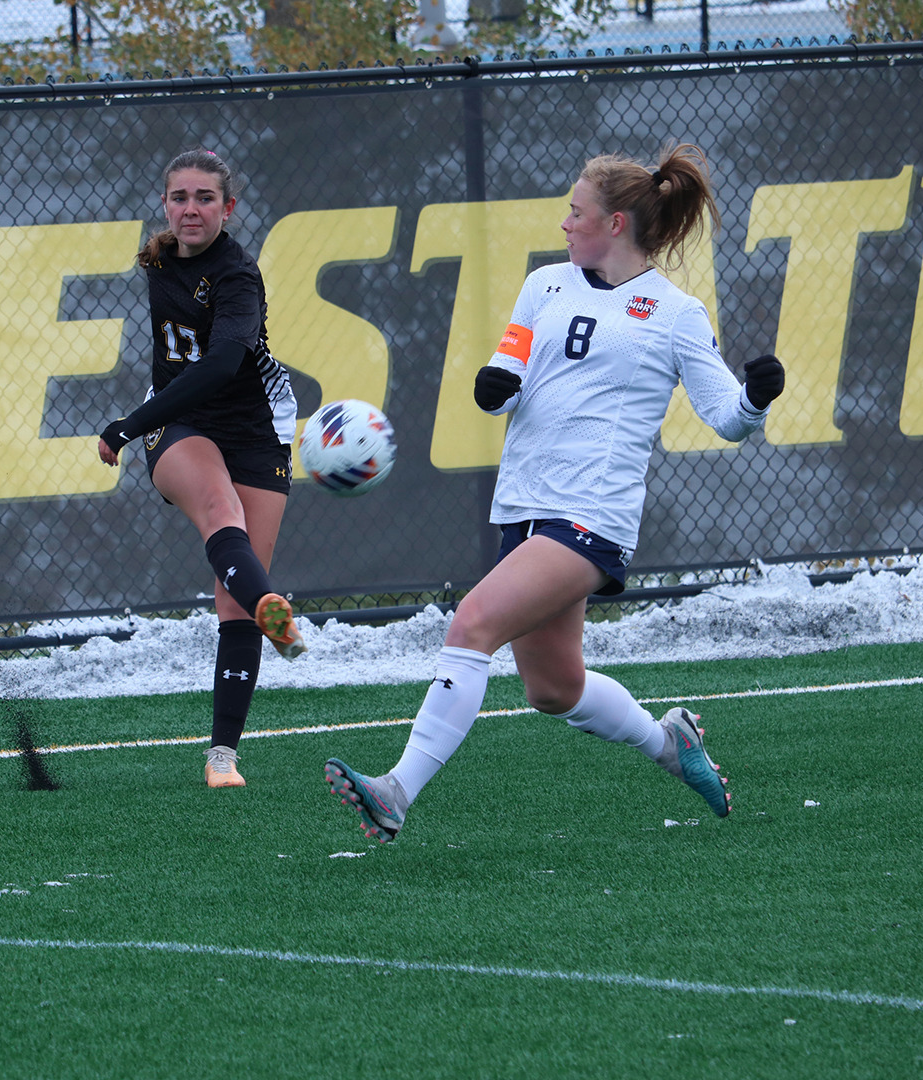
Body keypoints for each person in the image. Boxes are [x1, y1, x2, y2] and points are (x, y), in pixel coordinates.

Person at [324, 143, 785, 842]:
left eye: (577, 212)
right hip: (524, 505)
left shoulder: (674, 312)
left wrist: (754, 397)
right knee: (554, 689)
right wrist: (493, 387)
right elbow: (502, 378)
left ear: (618, 224)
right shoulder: (544, 285)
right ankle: (671, 743)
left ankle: (395, 792)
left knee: (471, 623)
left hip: (592, 514)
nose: (566, 224)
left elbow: (726, 418)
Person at [97, 148, 305, 789]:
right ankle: (273, 604)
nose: (191, 208)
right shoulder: (160, 258)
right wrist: (142, 426)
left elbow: (219, 366)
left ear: (228, 207)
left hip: (254, 430)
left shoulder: (239, 276)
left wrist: (124, 422)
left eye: (205, 198)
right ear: (165, 203)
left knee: (236, 604)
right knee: (220, 511)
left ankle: (222, 758)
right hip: (180, 426)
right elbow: (190, 378)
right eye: (179, 197)